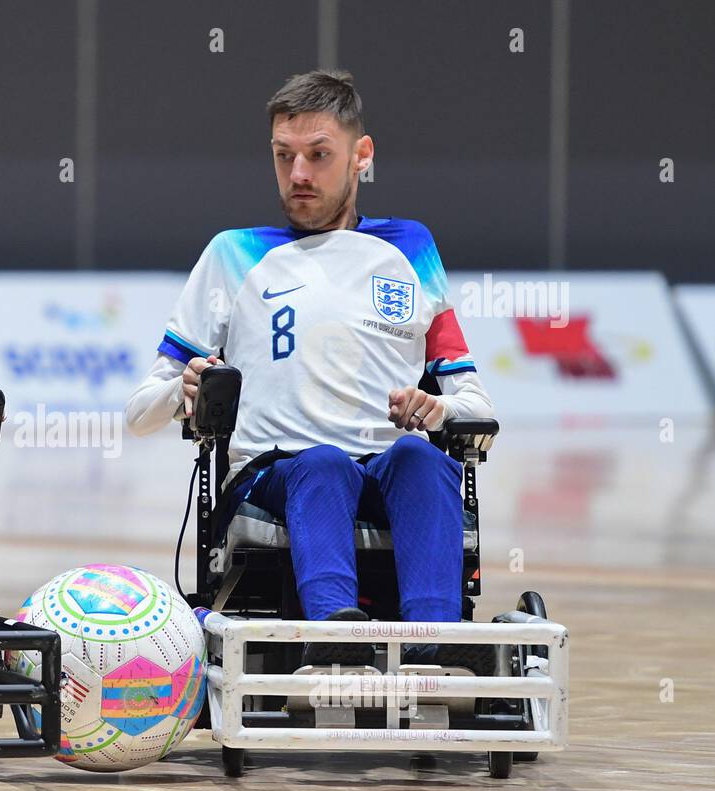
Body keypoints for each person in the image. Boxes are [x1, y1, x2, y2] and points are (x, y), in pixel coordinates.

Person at [125, 71, 495, 663]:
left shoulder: (411, 248)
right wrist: (184, 388)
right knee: (321, 464)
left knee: (423, 458)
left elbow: (476, 406)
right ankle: (333, 636)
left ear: (361, 156)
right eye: (284, 156)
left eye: (319, 155)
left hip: (382, 468)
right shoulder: (233, 254)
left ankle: (433, 647)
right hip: (275, 476)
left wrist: (439, 407)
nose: (298, 175)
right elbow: (139, 414)